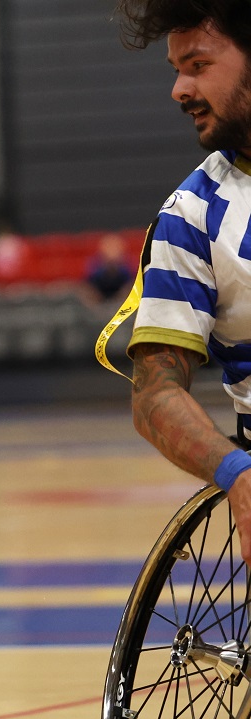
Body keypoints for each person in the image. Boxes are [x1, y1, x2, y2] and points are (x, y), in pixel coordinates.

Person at [115, 0, 251, 562]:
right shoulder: (190, 216)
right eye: (176, 69)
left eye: (197, 65)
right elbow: (155, 394)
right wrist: (238, 474)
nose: (178, 89)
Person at [84, 233, 136, 303]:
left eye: (115, 248)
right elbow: (88, 286)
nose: (112, 252)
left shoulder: (129, 268)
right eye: (109, 248)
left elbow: (132, 285)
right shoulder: (94, 268)